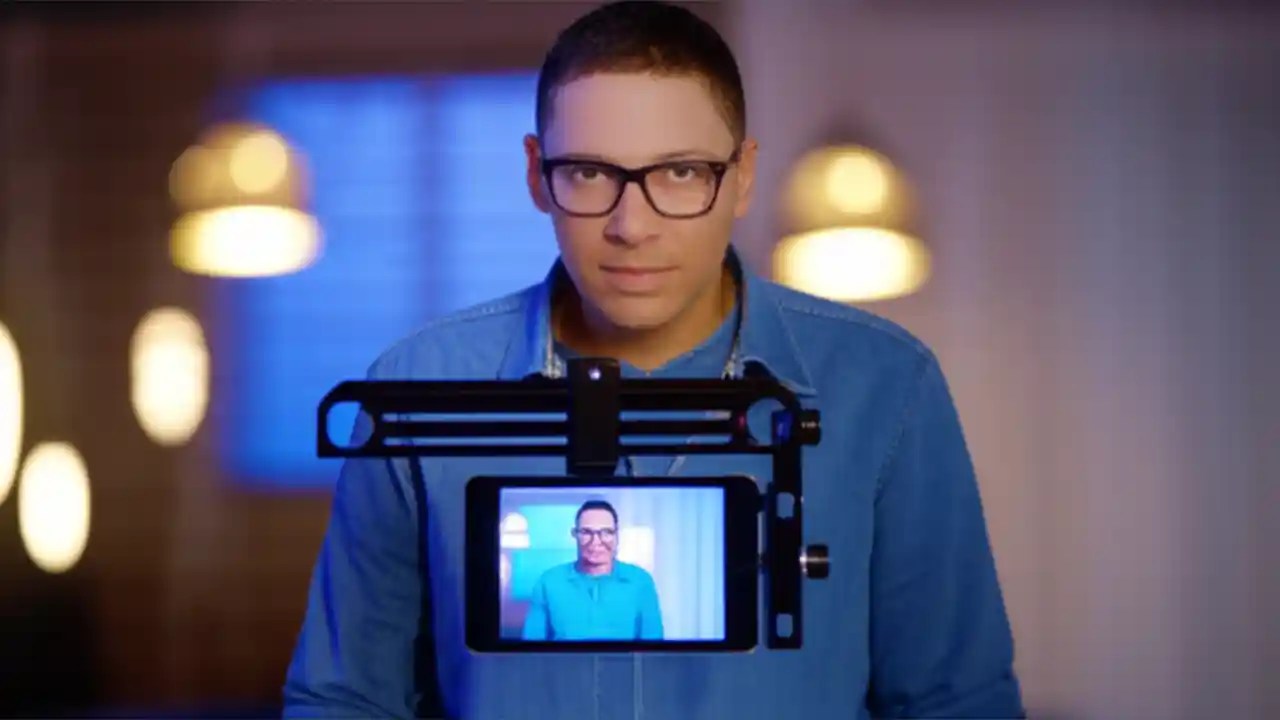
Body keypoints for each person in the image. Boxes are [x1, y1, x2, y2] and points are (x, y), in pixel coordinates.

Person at [282, 1, 1026, 719]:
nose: (630, 226)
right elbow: (348, 699)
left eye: (680, 173)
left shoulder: (884, 388)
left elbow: (953, 702)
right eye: (589, 173)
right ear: (538, 175)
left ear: (741, 176)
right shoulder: (417, 392)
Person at [520, 500, 663, 641]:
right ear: (574, 534)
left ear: (616, 536)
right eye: (586, 532)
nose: (596, 541)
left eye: (606, 532)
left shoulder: (641, 581)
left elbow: (653, 652)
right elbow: (530, 650)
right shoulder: (548, 582)